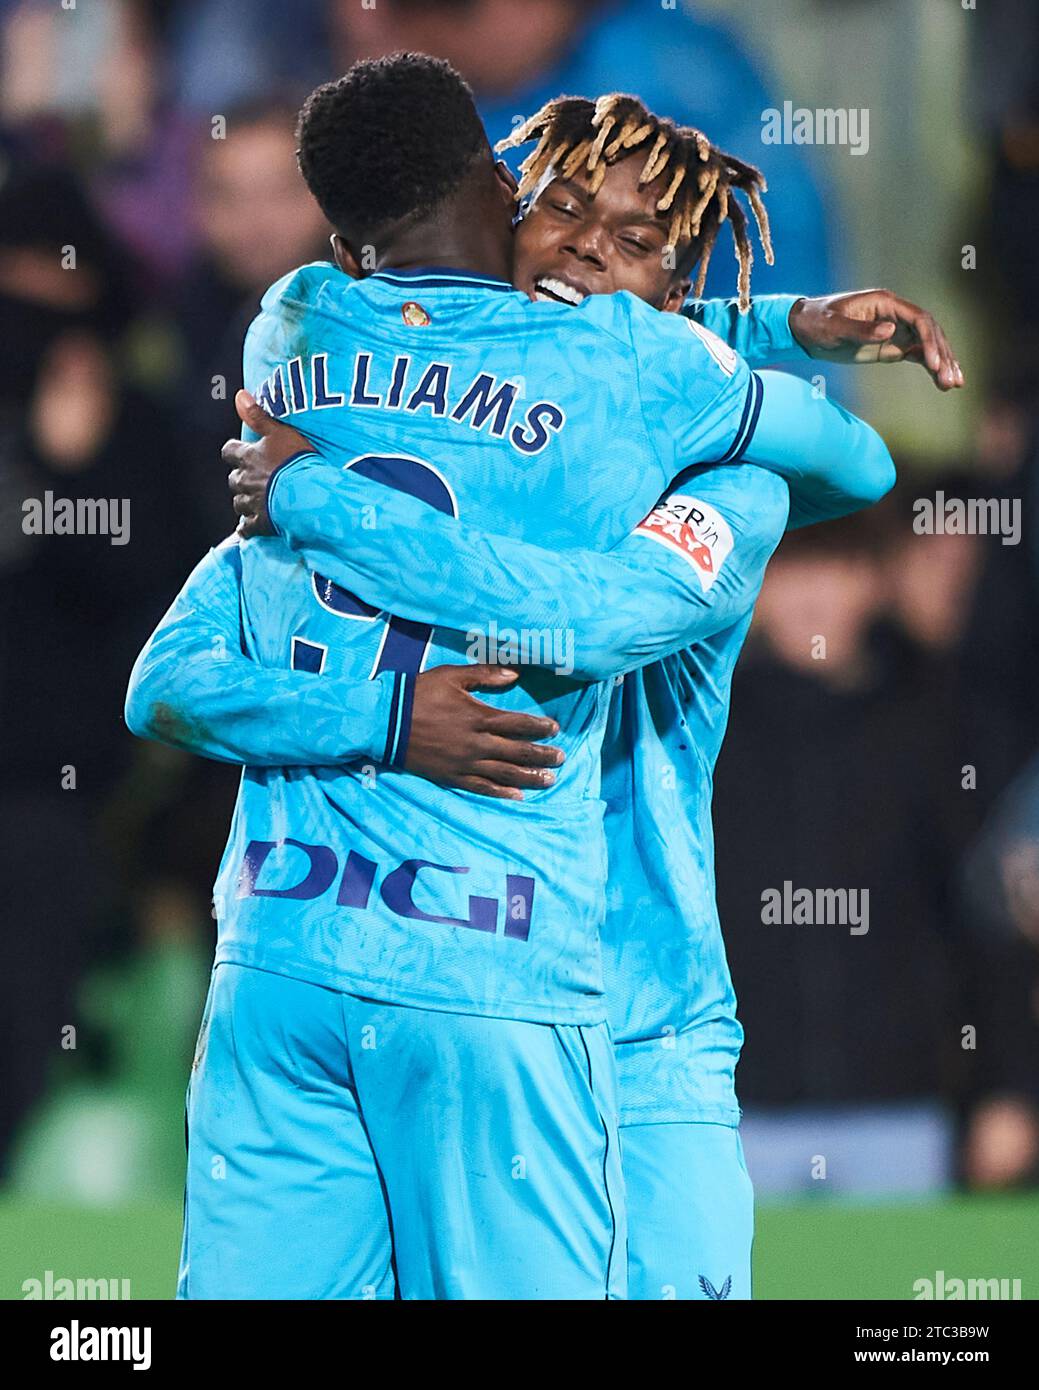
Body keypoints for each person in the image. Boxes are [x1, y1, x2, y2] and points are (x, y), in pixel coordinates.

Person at [127, 57, 908, 1300]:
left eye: (637, 242)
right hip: (469, 970)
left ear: (676, 290)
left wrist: (314, 496)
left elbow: (595, 616)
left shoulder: (719, 485)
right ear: (505, 199)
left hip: (636, 1015)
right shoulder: (547, 390)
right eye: (567, 210)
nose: (588, 254)